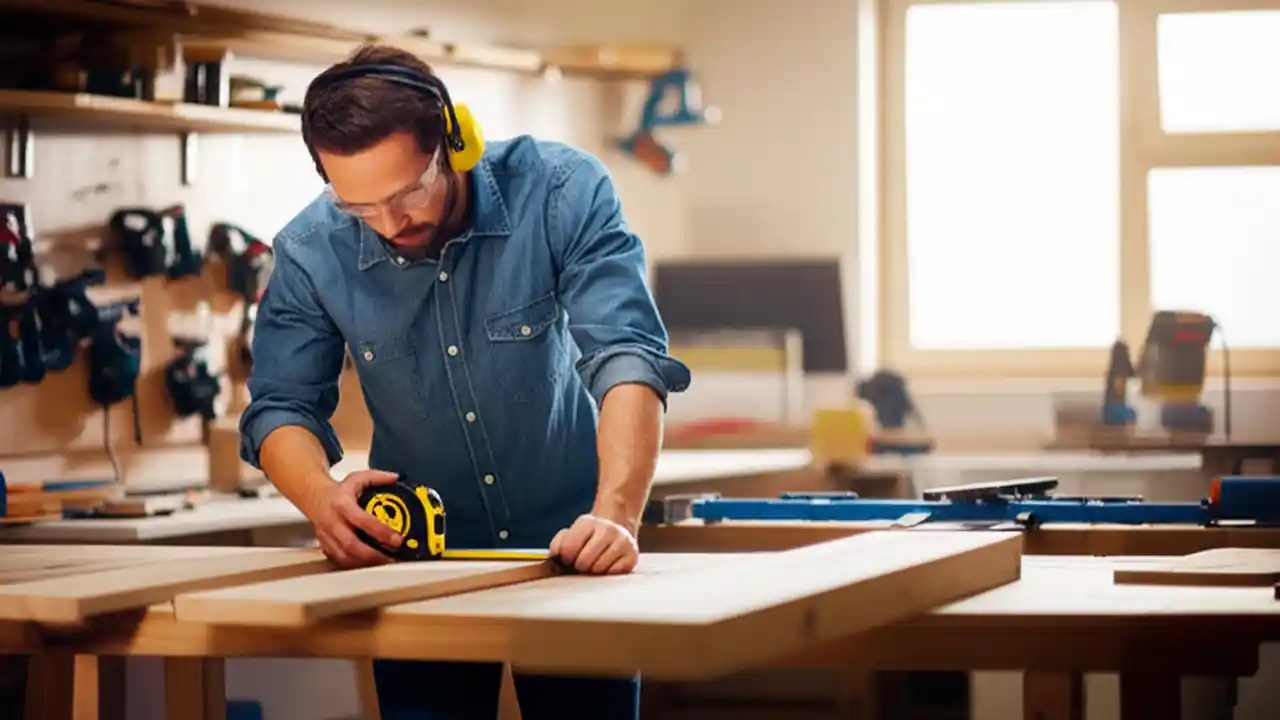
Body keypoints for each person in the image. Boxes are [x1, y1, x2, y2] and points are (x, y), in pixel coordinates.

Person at [238, 44, 691, 719]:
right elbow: (280, 406)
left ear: (456, 140)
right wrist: (322, 499)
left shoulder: (563, 192)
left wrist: (616, 517)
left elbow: (627, 354)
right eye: (361, 209)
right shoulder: (309, 250)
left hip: (570, 550)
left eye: (408, 194)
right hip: (417, 568)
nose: (392, 226)